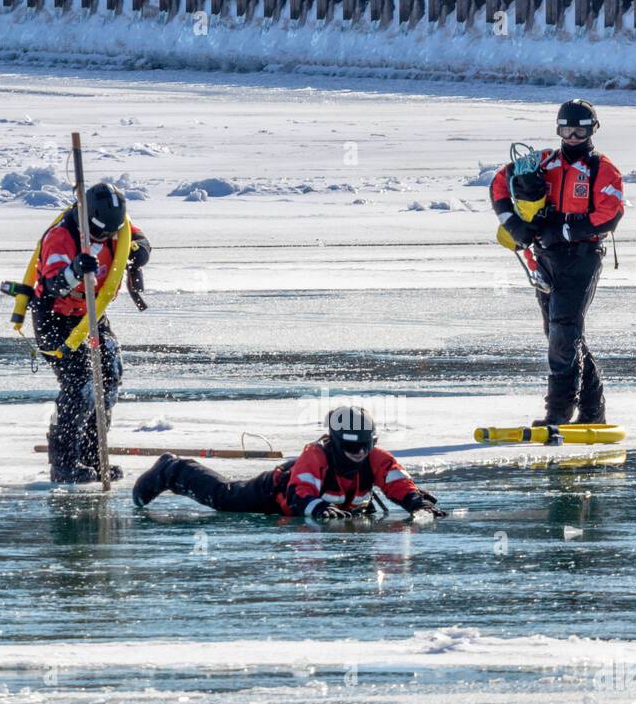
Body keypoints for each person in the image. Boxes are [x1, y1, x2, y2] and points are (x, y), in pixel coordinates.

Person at [489, 99, 624, 425]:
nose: (573, 137)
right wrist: (514, 224)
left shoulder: (601, 169)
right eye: (567, 130)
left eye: (580, 130)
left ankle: (558, 414)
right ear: (558, 130)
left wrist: (563, 231)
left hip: (581, 259)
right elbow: (498, 184)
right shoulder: (542, 162)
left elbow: (610, 214)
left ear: (592, 131)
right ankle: (593, 411)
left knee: (564, 332)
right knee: (560, 333)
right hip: (544, 259)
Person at [32, 181, 151, 483]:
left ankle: (92, 455)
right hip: (55, 319)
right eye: (101, 233)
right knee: (81, 382)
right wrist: (74, 272)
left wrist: (138, 253)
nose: (108, 238)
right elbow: (52, 285)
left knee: (109, 377)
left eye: (112, 233)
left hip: (92, 314)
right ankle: (64, 462)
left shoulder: (117, 227)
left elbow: (140, 239)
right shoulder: (61, 237)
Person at [132, 407, 446, 519]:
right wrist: (319, 509)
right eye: (351, 446)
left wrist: (416, 503)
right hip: (273, 493)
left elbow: (396, 481)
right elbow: (300, 495)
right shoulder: (315, 456)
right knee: (224, 497)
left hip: (325, 511)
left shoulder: (375, 459)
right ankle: (171, 470)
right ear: (335, 441)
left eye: (365, 446)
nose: (359, 453)